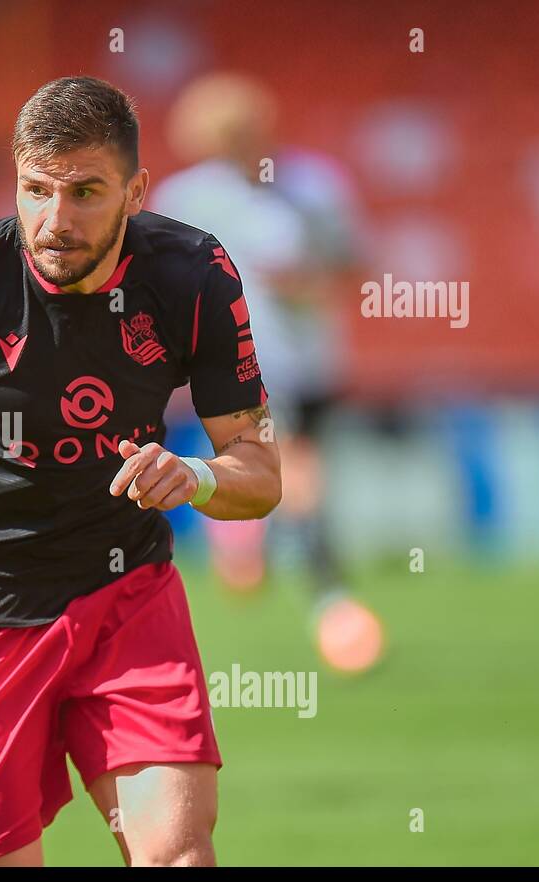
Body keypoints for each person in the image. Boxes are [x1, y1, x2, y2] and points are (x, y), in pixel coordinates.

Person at [0, 76, 282, 866]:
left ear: (135, 191)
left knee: (178, 852)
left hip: (125, 593)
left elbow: (259, 468)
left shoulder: (193, 275)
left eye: (85, 193)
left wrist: (196, 478)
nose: (54, 221)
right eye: (36, 190)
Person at [152, 72, 384, 670]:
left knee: (296, 475)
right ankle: (333, 605)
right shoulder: (188, 198)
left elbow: (353, 258)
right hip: (237, 365)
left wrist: (311, 282)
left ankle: (256, 546)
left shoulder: (312, 184)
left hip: (309, 359)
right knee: (296, 473)